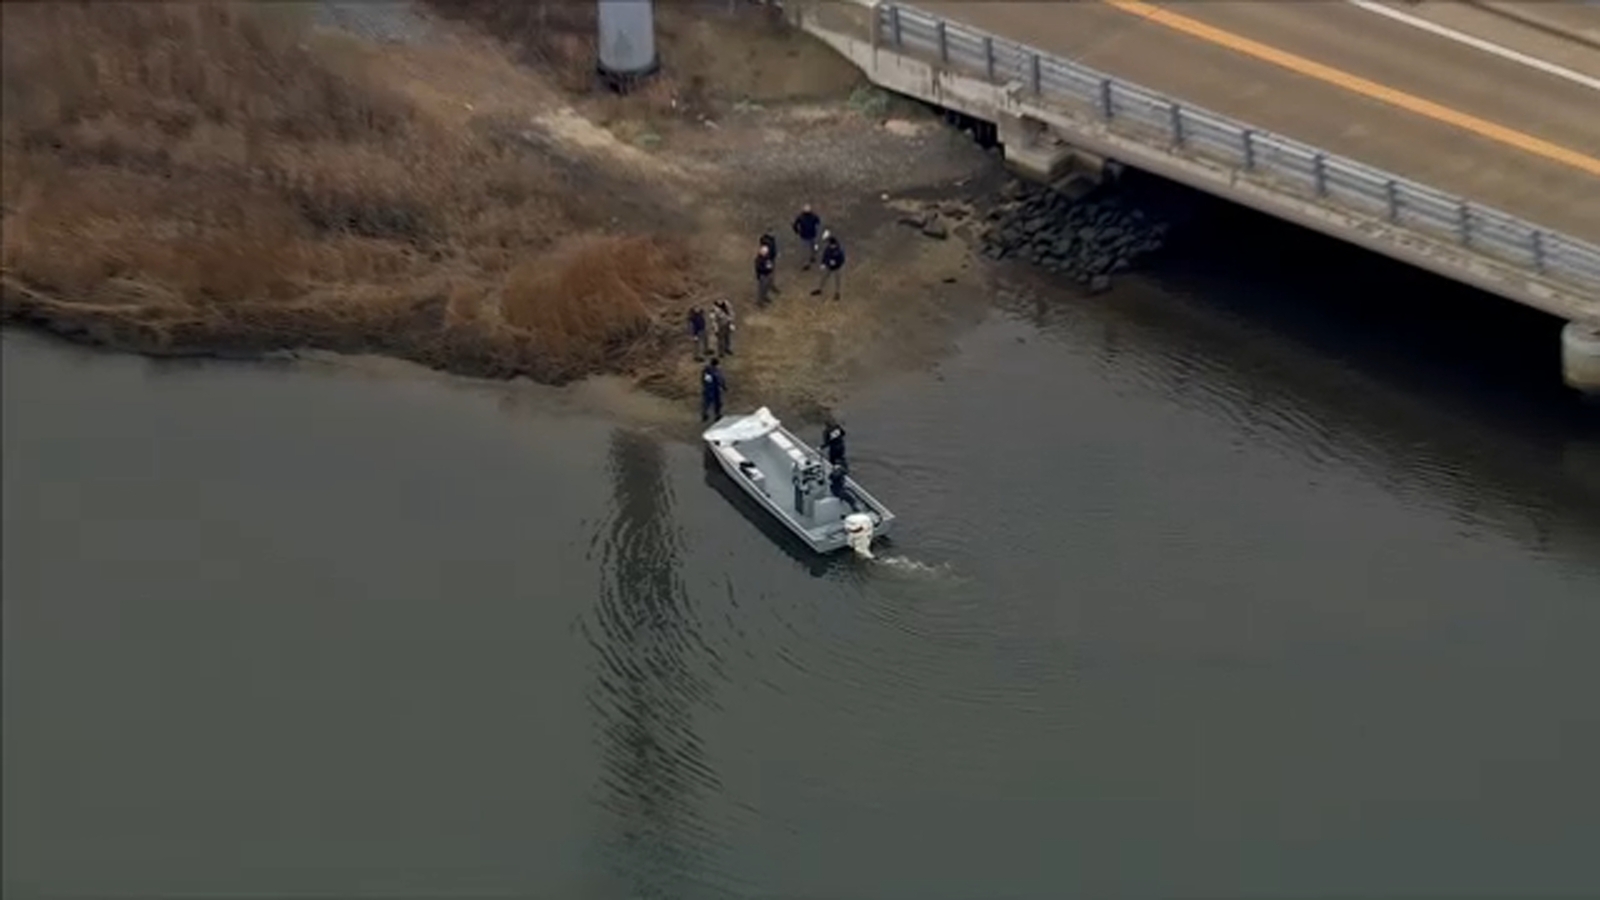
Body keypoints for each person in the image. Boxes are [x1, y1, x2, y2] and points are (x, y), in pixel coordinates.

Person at [811, 230, 845, 300]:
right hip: (829, 266)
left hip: (837, 267)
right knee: (823, 278)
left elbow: (842, 259)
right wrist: (823, 263)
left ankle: (837, 293)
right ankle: (820, 289)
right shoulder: (828, 249)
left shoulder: (839, 251)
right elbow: (825, 256)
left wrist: (836, 262)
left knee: (837, 280)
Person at [792, 203, 822, 270]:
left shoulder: (802, 217)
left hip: (807, 235)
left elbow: (795, 225)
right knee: (809, 248)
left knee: (809, 248)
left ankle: (811, 258)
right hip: (809, 235)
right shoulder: (810, 216)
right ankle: (808, 261)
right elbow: (818, 222)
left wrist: (797, 231)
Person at [700, 358, 726, 423]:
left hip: (711, 388)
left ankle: (708, 414)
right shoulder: (712, 371)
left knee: (711, 402)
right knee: (712, 401)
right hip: (712, 388)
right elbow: (720, 379)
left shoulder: (708, 370)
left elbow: (705, 380)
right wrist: (723, 386)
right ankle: (709, 414)